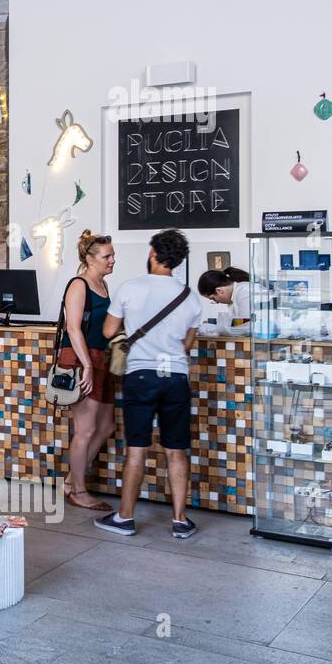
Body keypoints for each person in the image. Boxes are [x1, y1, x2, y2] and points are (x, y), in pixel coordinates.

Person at [98, 228, 203, 539]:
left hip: (140, 376)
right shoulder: (190, 298)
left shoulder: (130, 288)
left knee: (137, 449)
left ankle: (125, 517)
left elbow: (107, 331)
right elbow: (187, 344)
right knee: (176, 451)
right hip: (175, 377)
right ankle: (181, 520)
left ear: (153, 253)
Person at [58, 230, 117, 511]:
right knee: (85, 428)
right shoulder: (79, 285)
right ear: (90, 258)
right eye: (107, 256)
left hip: (101, 359)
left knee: (106, 426)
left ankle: (71, 481)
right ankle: (78, 490)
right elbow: (73, 328)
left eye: (112, 255)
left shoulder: (103, 285)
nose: (113, 260)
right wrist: (87, 367)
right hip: (83, 360)